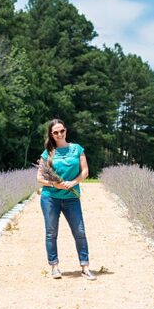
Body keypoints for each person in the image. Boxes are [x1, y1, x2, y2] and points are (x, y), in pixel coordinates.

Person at [36, 119, 96, 280]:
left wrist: (73, 182)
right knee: (51, 233)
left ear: (65, 131)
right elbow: (39, 177)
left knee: (80, 231)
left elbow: (85, 172)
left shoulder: (77, 149)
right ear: (51, 134)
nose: (59, 134)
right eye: (55, 132)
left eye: (61, 131)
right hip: (50, 198)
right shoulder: (48, 153)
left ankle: (85, 267)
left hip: (71, 198)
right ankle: (54, 267)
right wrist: (55, 184)